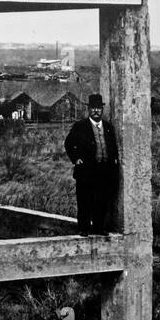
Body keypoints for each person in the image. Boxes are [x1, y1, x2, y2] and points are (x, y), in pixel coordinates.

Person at [64, 93, 119, 234]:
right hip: (86, 171)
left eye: (99, 108)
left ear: (102, 110)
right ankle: (84, 229)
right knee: (85, 201)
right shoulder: (80, 126)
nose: (96, 111)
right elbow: (68, 143)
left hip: (104, 171)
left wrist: (113, 161)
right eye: (93, 108)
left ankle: (99, 228)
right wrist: (76, 158)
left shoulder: (108, 127)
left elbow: (112, 146)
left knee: (101, 201)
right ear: (89, 110)